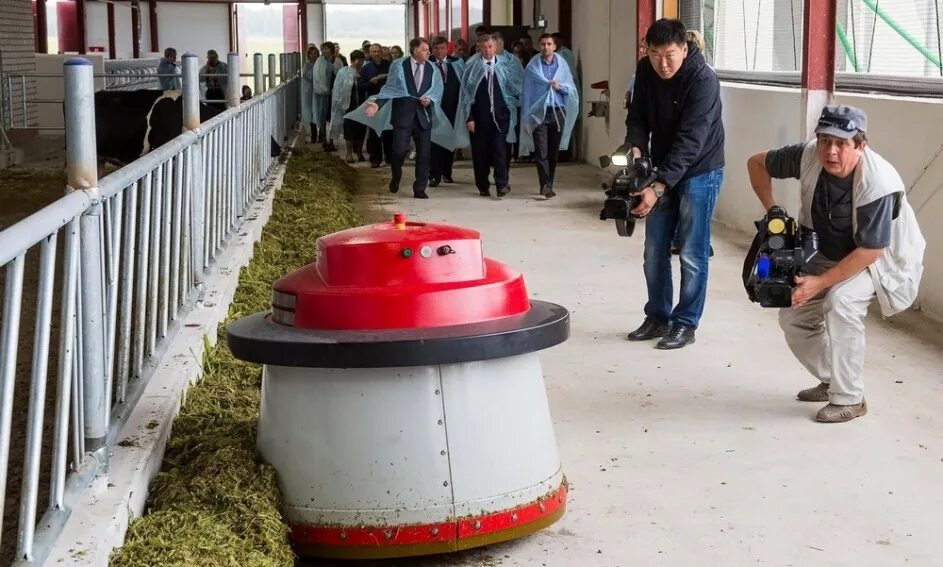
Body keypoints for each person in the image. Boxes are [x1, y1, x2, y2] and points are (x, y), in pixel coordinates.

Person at [746, 105, 925, 422]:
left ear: (861, 145)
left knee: (842, 302)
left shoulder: (878, 182)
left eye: (842, 143)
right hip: (827, 250)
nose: (831, 151)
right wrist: (772, 209)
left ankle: (849, 398)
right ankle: (833, 380)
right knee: (793, 317)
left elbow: (871, 251)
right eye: (825, 140)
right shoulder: (808, 154)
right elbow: (756, 163)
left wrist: (819, 282)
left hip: (879, 259)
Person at [622, 18, 725, 350]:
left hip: (700, 169)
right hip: (663, 165)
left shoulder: (703, 80)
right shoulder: (645, 70)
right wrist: (636, 148)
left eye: (669, 55)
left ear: (684, 48)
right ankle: (657, 316)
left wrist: (658, 186)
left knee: (692, 252)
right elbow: (637, 117)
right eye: (654, 55)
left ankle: (685, 323)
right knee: (654, 250)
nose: (662, 64)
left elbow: (691, 141)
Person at [357, 37, 453, 199]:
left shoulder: (432, 68)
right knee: (399, 151)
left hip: (423, 117)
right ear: (415, 50)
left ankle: (420, 188)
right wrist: (377, 105)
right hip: (403, 116)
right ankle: (396, 176)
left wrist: (429, 99)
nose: (428, 52)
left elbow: (437, 90)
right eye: (424, 49)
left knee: (424, 154)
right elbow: (391, 88)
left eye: (428, 50)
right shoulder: (399, 65)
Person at [455, 33, 521, 197]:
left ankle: (502, 184)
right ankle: (483, 185)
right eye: (484, 47)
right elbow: (466, 95)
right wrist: (469, 117)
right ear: (478, 48)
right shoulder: (472, 67)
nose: (488, 50)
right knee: (480, 153)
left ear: (496, 47)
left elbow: (513, 88)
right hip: (479, 118)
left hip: (501, 117)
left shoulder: (504, 65)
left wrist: (511, 108)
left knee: (500, 150)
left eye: (490, 47)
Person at [519, 33, 579, 199]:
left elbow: (571, 89)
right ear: (539, 46)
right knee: (541, 151)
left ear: (554, 46)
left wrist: (560, 87)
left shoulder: (562, 65)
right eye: (543, 44)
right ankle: (545, 185)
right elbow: (527, 93)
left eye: (549, 44)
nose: (546, 47)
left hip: (558, 112)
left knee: (553, 152)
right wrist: (526, 117)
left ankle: (549, 183)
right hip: (539, 113)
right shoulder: (532, 67)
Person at [428, 35, 464, 187]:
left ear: (446, 48)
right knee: (435, 142)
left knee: (450, 141)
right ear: (432, 49)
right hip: (434, 109)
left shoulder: (456, 62)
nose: (439, 51)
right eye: (436, 48)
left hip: (452, 108)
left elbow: (463, 83)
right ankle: (434, 175)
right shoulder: (427, 63)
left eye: (442, 48)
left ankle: (447, 172)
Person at [331, 50, 368, 163]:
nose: (359, 63)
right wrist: (338, 103)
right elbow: (337, 89)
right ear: (351, 61)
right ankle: (349, 153)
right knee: (349, 131)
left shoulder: (364, 73)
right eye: (357, 60)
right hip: (348, 106)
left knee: (361, 130)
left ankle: (359, 152)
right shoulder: (343, 72)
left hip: (362, 106)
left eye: (361, 60)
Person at [359, 43, 392, 167]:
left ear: (381, 52)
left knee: (389, 130)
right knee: (374, 131)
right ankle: (375, 159)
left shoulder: (389, 65)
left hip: (388, 101)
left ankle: (389, 157)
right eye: (373, 51)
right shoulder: (366, 68)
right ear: (370, 53)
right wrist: (370, 82)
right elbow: (361, 85)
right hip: (373, 102)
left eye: (378, 51)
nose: (376, 53)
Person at [312, 42, 337, 152]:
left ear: (331, 49)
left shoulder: (337, 60)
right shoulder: (320, 62)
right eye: (323, 49)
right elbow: (318, 78)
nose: (324, 50)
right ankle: (324, 141)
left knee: (333, 118)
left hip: (335, 93)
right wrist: (326, 90)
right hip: (323, 94)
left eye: (327, 48)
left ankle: (332, 141)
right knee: (322, 118)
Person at [302, 45, 321, 143]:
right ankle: (314, 136)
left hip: (319, 92)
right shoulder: (307, 65)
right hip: (309, 93)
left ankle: (321, 136)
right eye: (311, 54)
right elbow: (308, 76)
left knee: (320, 113)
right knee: (312, 113)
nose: (313, 55)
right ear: (308, 55)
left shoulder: (321, 64)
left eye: (315, 54)